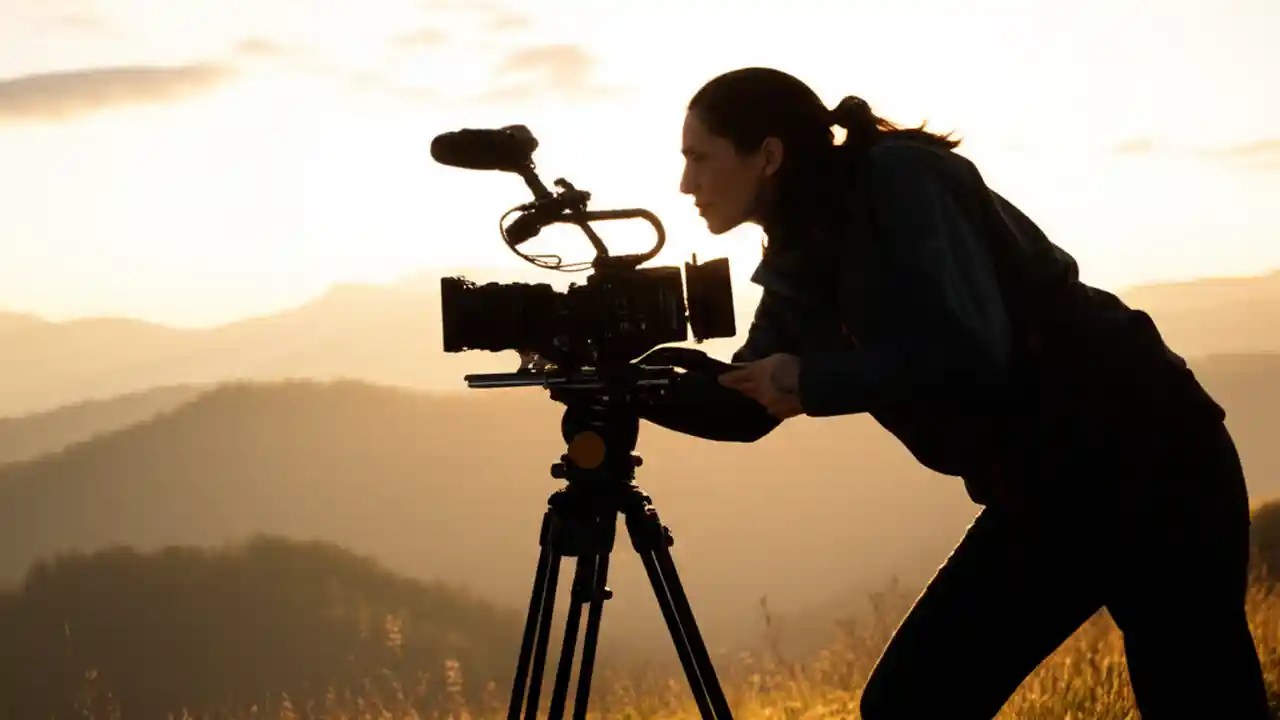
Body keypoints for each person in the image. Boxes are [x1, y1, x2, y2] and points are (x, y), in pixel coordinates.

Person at [639, 67, 1269, 718]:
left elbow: (971, 353)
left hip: (1151, 461)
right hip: (1043, 492)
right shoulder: (801, 250)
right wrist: (615, 387)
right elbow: (750, 405)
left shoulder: (897, 179)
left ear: (767, 155)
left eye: (698, 157)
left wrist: (813, 380)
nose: (686, 183)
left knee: (1201, 699)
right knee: (911, 703)